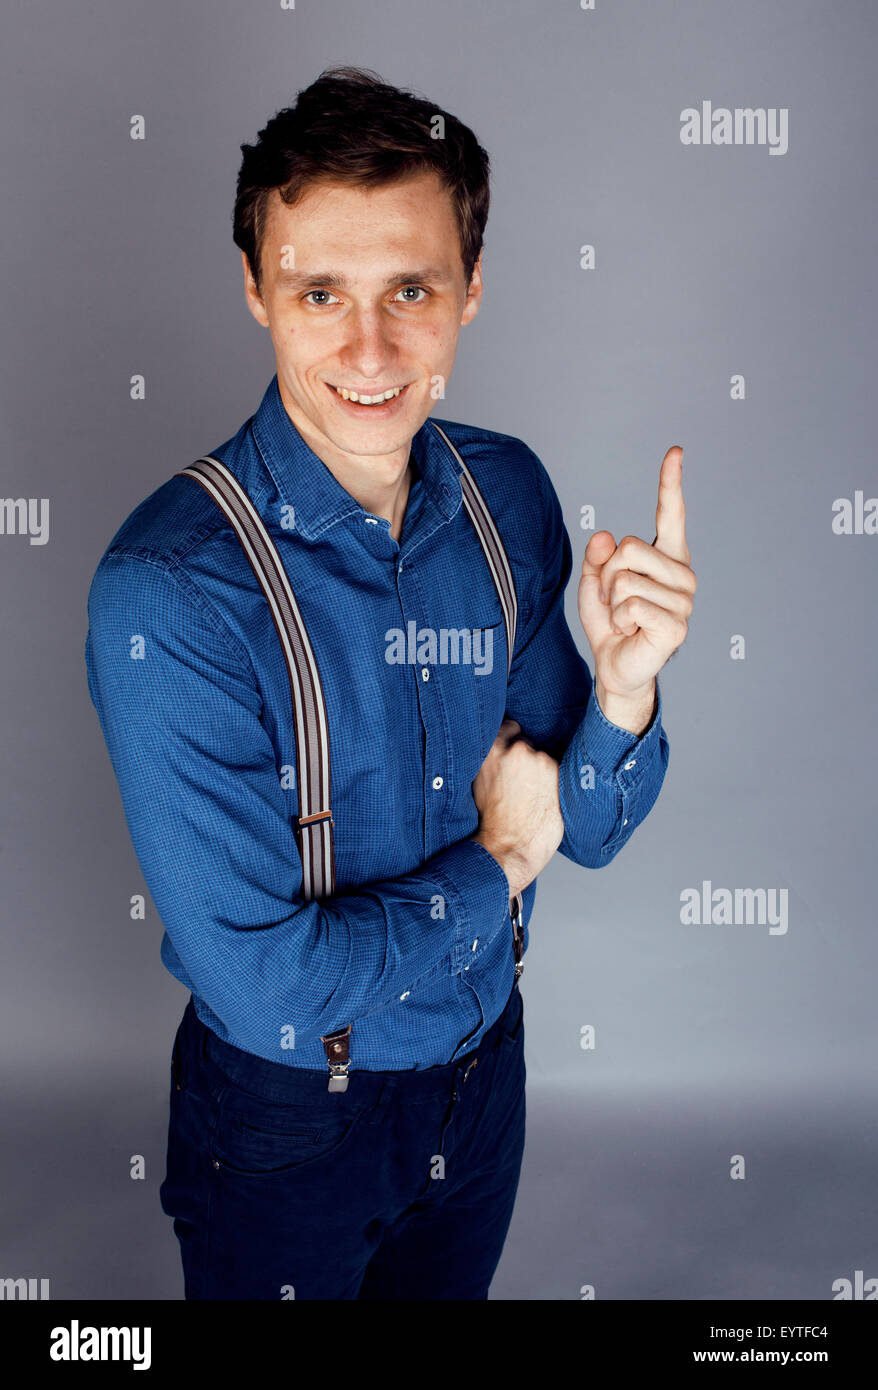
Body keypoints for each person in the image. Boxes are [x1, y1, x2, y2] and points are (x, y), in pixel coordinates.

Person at [84, 66, 694, 1300]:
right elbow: (272, 979)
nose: (369, 351)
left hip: (481, 1082)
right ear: (258, 291)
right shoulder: (168, 591)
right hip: (285, 1122)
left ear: (470, 289)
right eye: (320, 293)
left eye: (410, 289)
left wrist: (623, 694)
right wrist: (499, 863)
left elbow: (590, 831)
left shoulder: (504, 492)